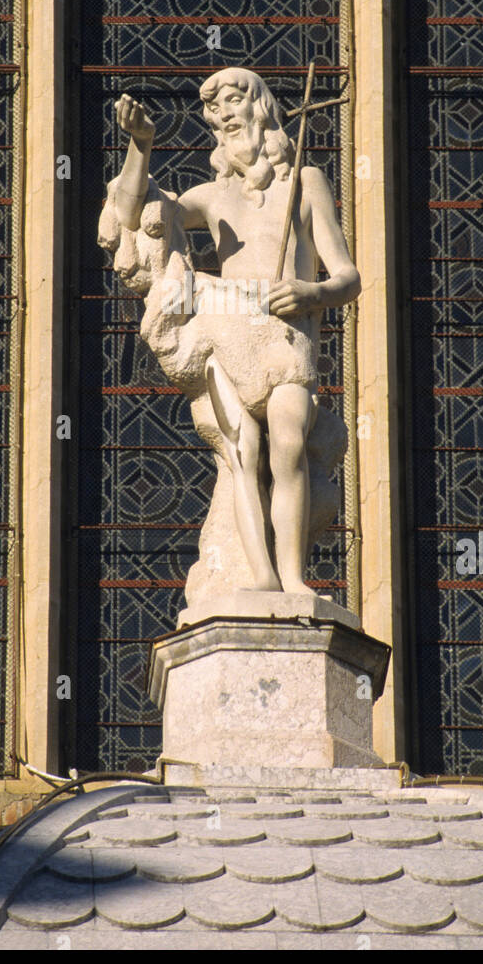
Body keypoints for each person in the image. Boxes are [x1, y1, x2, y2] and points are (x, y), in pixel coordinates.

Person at [113, 66, 360, 593]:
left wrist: (313, 292)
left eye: (231, 101)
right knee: (242, 449)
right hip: (227, 333)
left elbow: (347, 276)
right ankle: (264, 580)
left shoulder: (306, 183)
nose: (223, 114)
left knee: (288, 443)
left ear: (261, 107)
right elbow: (135, 213)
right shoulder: (211, 196)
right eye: (214, 109)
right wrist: (142, 145)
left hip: (286, 334)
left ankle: (294, 579)